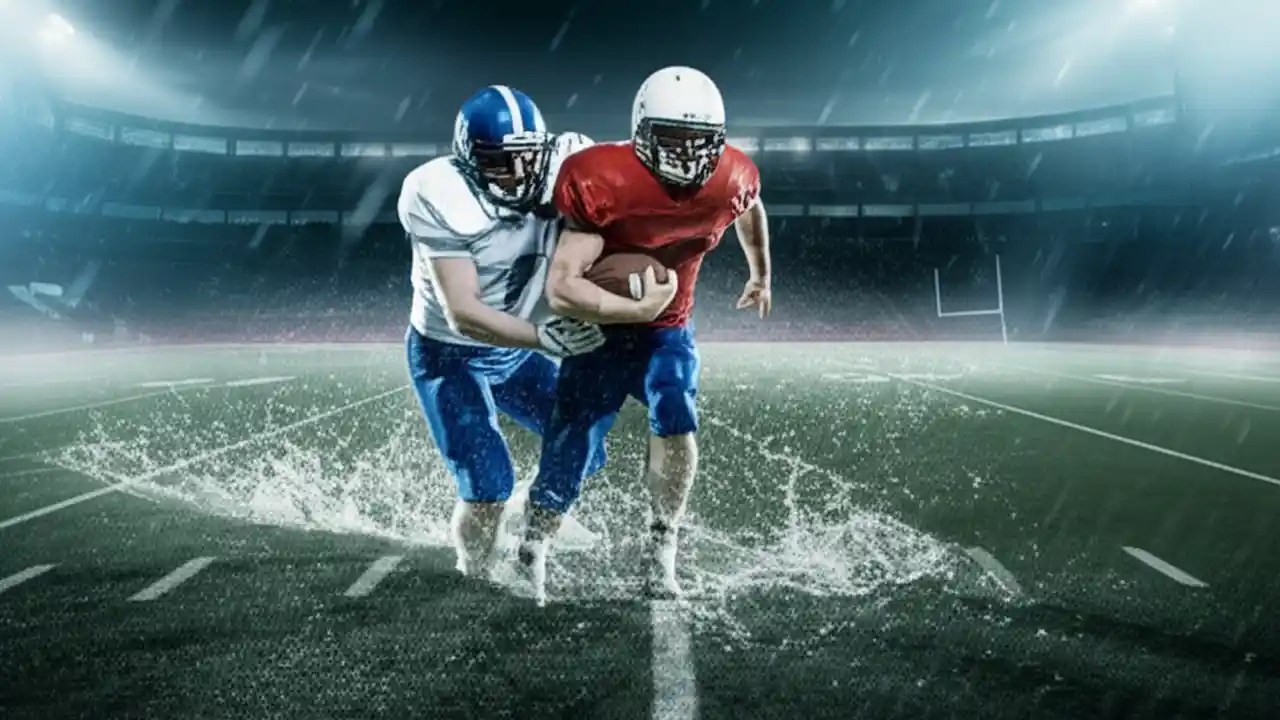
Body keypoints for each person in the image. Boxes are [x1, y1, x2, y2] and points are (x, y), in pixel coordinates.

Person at [516, 67, 772, 604]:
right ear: (640, 133)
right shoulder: (601, 180)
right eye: (670, 140)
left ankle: (661, 545)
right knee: (571, 447)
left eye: (696, 143)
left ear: (719, 143)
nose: (683, 155)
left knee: (677, 414)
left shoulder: (732, 178)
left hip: (667, 331)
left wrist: (761, 272)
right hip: (600, 333)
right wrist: (632, 305)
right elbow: (562, 288)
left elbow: (748, 207)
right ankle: (533, 547)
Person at [398, 85, 605, 579]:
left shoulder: (573, 163)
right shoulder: (437, 192)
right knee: (488, 483)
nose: (516, 174)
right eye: (498, 161)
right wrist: (543, 338)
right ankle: (474, 568)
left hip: (510, 354)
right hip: (451, 353)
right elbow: (463, 313)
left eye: (525, 157)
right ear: (468, 159)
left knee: (586, 449)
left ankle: (527, 513)